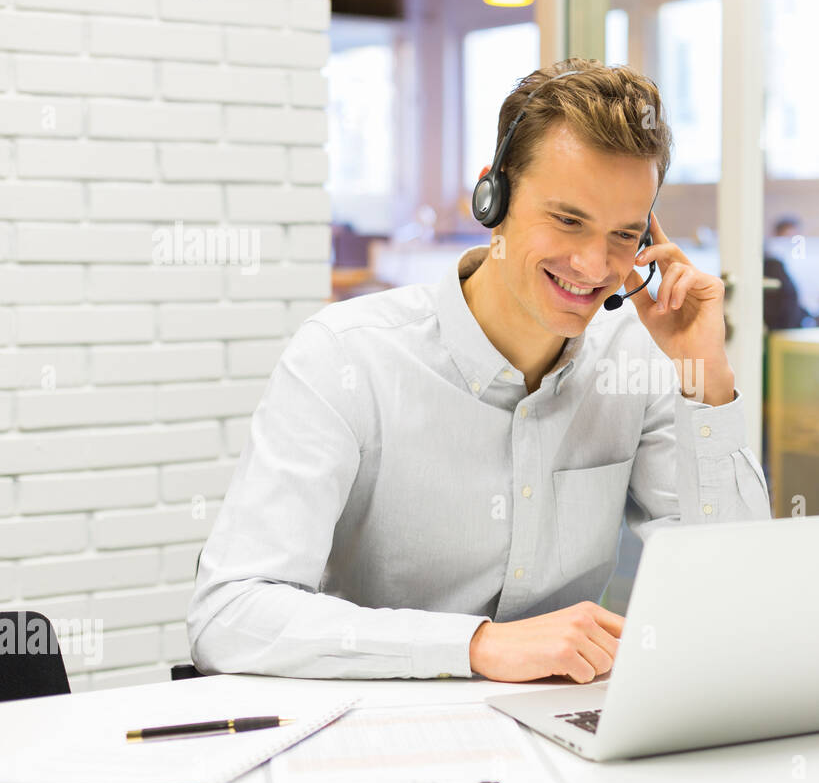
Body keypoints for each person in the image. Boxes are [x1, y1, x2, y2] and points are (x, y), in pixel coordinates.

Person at [188, 58, 772, 685]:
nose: (592, 262)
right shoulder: (344, 357)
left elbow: (737, 594)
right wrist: (475, 646)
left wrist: (703, 374)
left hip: (565, 746)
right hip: (376, 742)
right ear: (492, 196)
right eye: (568, 219)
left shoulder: (637, 360)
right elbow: (230, 614)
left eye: (624, 234)